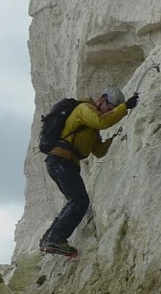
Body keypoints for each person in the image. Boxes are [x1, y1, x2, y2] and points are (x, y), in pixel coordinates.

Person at [40, 86, 139, 257]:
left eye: (114, 109)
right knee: (79, 201)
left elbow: (98, 151)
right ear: (102, 99)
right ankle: (55, 239)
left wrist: (113, 140)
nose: (111, 112)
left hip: (63, 162)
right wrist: (125, 108)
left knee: (74, 200)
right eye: (111, 107)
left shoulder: (92, 128)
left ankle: (49, 238)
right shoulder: (84, 109)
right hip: (61, 160)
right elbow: (102, 121)